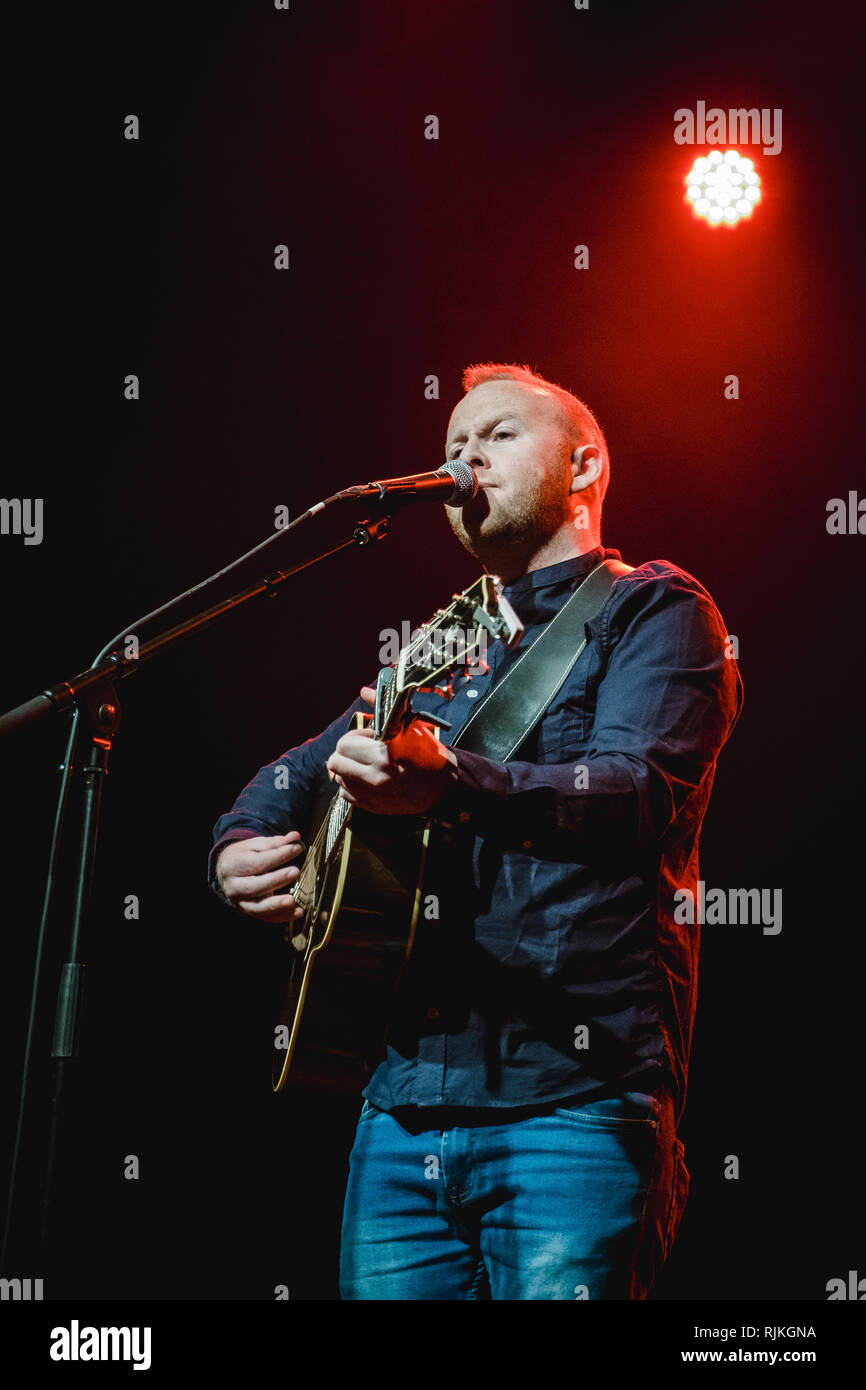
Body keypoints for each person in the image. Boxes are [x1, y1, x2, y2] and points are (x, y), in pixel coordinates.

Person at [209, 362, 743, 1300]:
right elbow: (288, 776)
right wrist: (236, 848)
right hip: (401, 1112)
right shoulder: (437, 652)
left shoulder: (655, 610)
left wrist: (448, 781)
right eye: (452, 446)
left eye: (495, 436)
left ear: (583, 468)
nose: (464, 460)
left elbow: (634, 795)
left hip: (573, 1105)